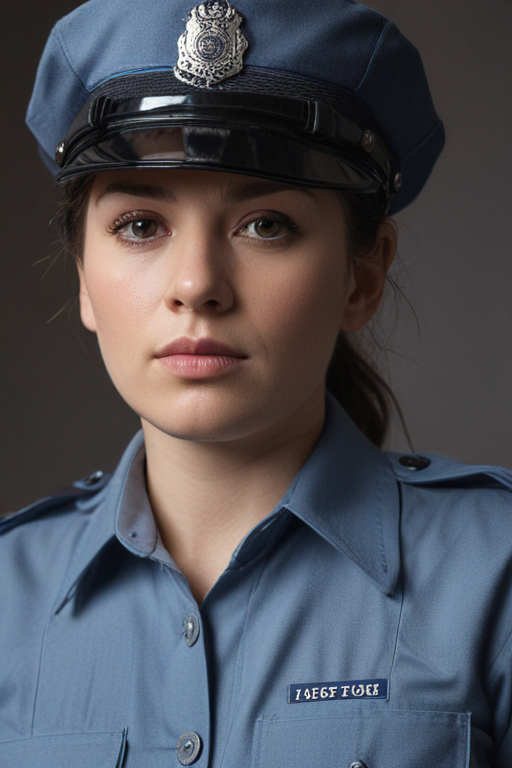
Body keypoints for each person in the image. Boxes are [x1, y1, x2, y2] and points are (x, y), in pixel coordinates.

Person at [1, 1, 511, 766]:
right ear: (83, 278)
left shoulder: (497, 573)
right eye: (140, 225)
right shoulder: (7, 600)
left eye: (265, 224)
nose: (197, 285)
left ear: (362, 277)